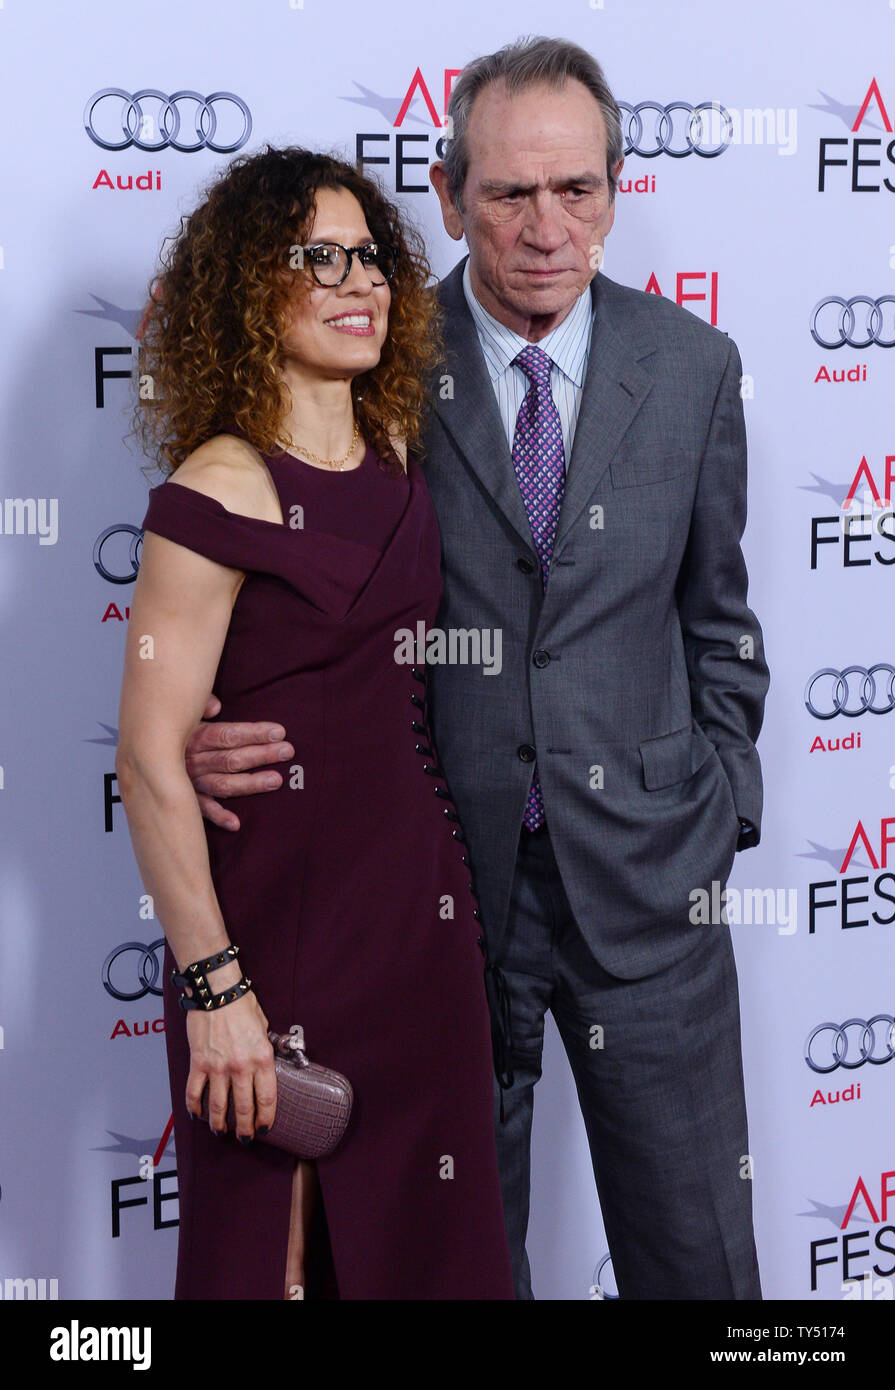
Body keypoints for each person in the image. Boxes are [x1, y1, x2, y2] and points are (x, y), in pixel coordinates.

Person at [183, 38, 769, 1300]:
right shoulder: (370, 360)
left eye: (576, 190)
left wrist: (723, 805)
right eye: (509, 193)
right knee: (438, 1267)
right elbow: (278, 576)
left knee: (701, 1268)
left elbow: (719, 619)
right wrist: (201, 727)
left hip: (654, 893)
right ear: (448, 197)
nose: (546, 228)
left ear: (616, 188)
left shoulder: (693, 369)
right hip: (440, 903)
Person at [116, 144, 515, 1300]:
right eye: (319, 256)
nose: (360, 282)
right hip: (271, 937)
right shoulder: (214, 489)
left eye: (374, 257)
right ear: (253, 283)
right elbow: (148, 759)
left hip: (418, 929)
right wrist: (217, 993)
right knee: (269, 1268)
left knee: (430, 1257)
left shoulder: (400, 460)